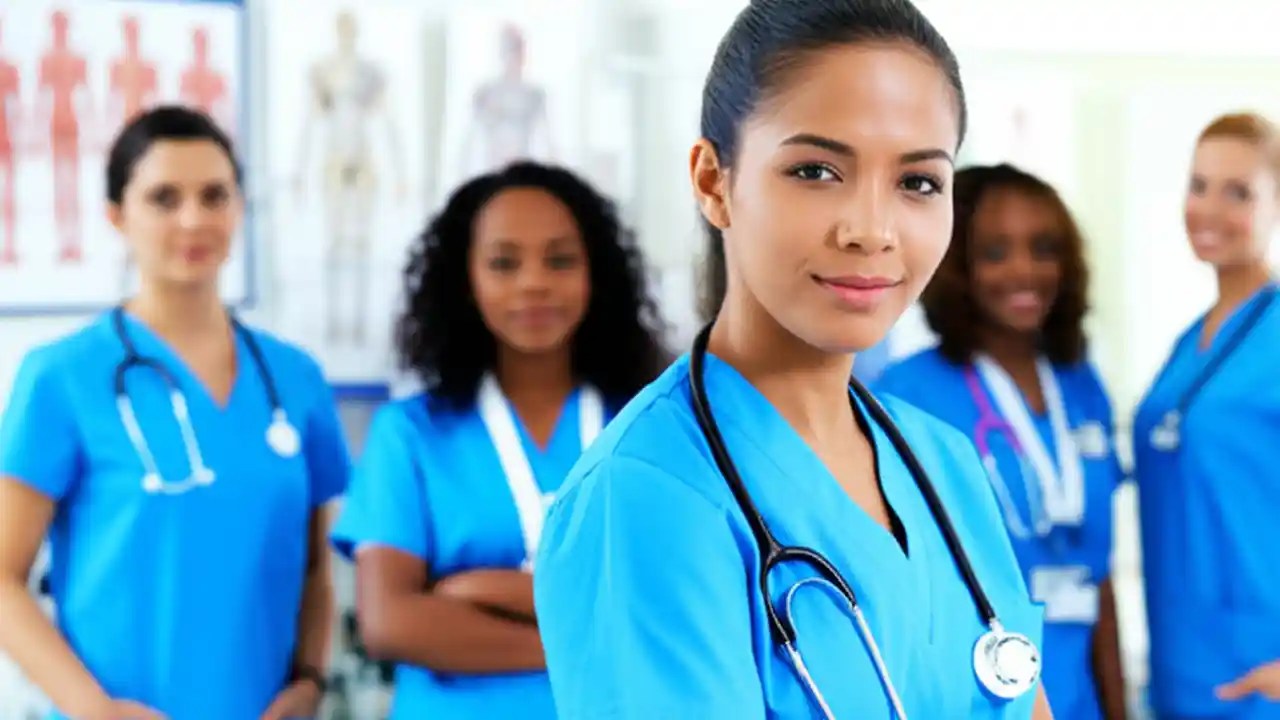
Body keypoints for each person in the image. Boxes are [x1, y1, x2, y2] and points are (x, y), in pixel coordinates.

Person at [533, 1, 1053, 717]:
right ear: (715, 182)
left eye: (918, 182)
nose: (871, 231)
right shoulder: (648, 492)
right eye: (815, 170)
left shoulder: (945, 465)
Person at [0, 106, 350, 720]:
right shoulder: (61, 377)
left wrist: (312, 680)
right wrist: (95, 709)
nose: (194, 218)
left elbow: (317, 566)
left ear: (240, 208)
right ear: (117, 216)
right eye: (164, 198)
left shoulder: (296, 379)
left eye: (215, 195)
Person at [329, 160, 669, 719]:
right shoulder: (410, 432)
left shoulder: (653, 426)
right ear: (465, 280)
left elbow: (670, 600)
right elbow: (390, 623)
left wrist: (480, 590)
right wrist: (583, 643)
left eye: (560, 260)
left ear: (597, 275)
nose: (533, 281)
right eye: (503, 263)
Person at [876, 164, 1127, 719]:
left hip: (1077, 696)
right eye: (995, 252)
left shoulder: (1081, 385)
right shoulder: (907, 395)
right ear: (958, 265)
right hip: (969, 699)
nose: (1025, 271)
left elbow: (1100, 576)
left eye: (1043, 248)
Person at [1133, 112, 1280, 720]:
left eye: (1237, 192)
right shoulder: (1189, 342)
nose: (1208, 208)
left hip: (1260, 667)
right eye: (1198, 185)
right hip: (1178, 664)